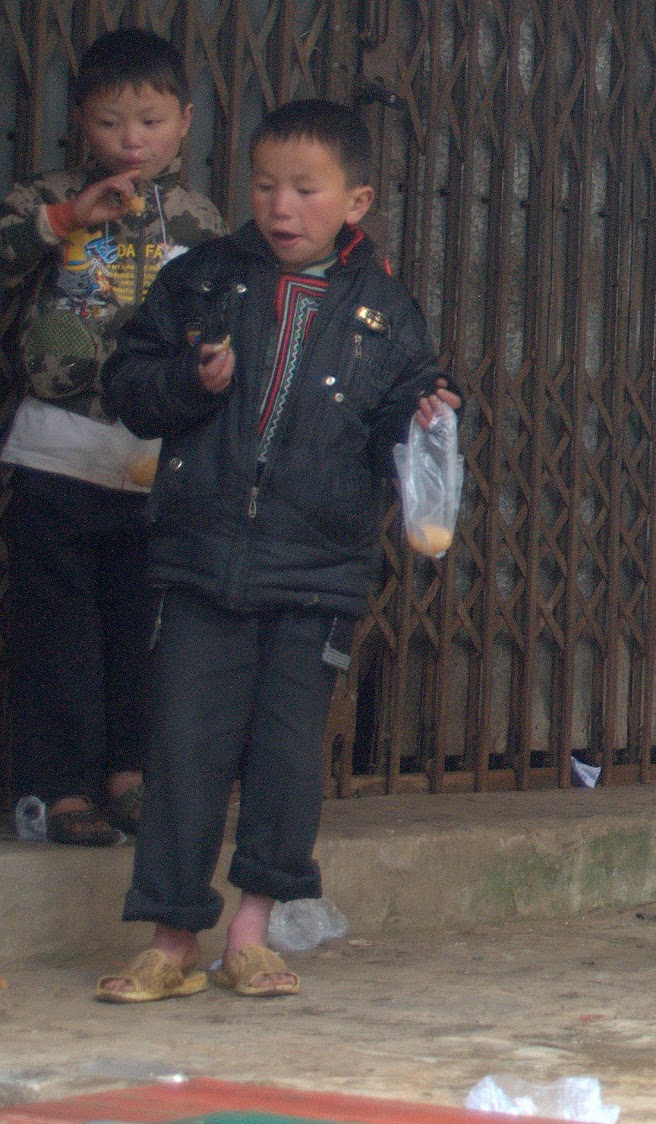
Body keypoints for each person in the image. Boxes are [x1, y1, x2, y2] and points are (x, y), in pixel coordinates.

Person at [92, 98, 458, 1002]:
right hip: (203, 555)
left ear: (356, 200)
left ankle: (251, 933)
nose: (281, 206)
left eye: (305, 188)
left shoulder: (386, 314)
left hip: (319, 569)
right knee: (183, 745)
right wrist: (189, 379)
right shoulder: (204, 280)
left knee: (287, 754)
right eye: (264, 185)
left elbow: (406, 423)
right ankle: (172, 938)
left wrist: (430, 418)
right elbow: (130, 386)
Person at [0, 27, 225, 845]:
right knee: (54, 632)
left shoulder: (201, 223)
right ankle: (59, 789)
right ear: (80, 126)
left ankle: (129, 773)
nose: (132, 141)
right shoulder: (45, 198)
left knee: (140, 629)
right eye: (109, 124)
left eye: (152, 122)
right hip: (54, 454)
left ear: (186, 122)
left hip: (149, 466)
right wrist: (64, 219)